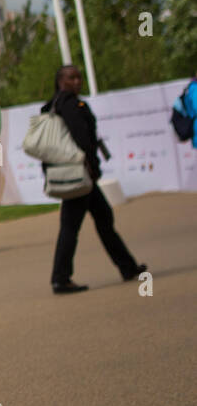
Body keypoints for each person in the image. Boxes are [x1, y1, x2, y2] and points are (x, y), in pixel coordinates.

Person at [42, 65, 147, 294]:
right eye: (71, 77)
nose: (77, 81)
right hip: (80, 175)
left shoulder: (54, 105)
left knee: (103, 218)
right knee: (72, 226)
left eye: (79, 77)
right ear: (61, 81)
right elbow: (81, 138)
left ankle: (127, 266)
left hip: (77, 175)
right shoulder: (69, 104)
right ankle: (60, 278)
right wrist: (91, 165)